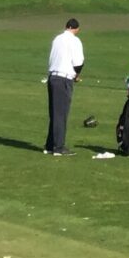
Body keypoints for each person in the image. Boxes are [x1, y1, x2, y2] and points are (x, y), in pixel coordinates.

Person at [44, 18, 85, 156]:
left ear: (66, 26)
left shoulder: (57, 39)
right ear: (76, 29)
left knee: (54, 113)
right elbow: (78, 62)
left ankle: (50, 145)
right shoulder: (74, 40)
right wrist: (76, 75)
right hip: (63, 79)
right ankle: (58, 147)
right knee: (61, 114)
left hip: (52, 77)